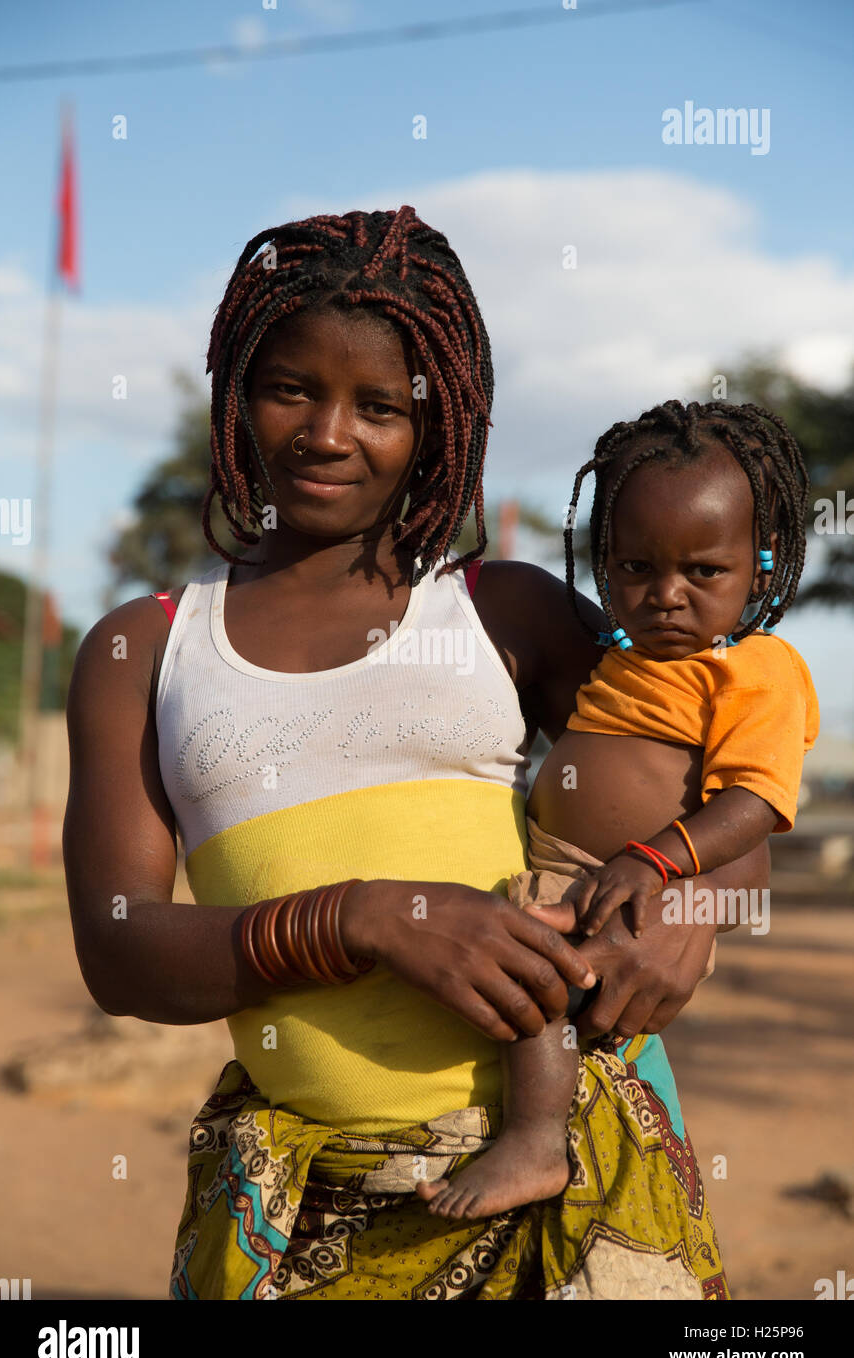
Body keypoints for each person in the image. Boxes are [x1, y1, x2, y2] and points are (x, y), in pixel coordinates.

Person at [63, 207, 767, 1300]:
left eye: (380, 405)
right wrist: (364, 918)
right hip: (311, 1215)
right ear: (234, 392)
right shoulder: (144, 649)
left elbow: (726, 770)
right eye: (289, 387)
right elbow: (121, 954)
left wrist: (696, 905)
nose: (328, 434)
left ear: (437, 423)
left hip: (573, 1180)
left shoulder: (501, 612)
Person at [416, 399, 819, 1222]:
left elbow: (756, 800)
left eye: (703, 572)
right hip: (575, 875)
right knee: (523, 979)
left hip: (636, 889)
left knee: (547, 991)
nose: (665, 595)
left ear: (760, 568)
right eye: (635, 568)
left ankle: (535, 1145)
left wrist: (658, 859)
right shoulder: (619, 656)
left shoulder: (756, 669)